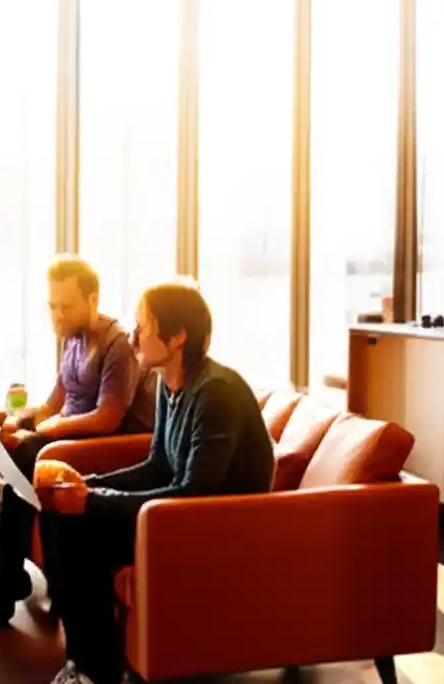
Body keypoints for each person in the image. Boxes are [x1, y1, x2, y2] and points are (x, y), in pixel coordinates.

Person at [43, 281, 275, 684]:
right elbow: (157, 467)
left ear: (178, 335)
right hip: (176, 519)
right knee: (59, 517)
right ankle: (86, 662)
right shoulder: (170, 385)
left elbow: (193, 493)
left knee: (82, 531)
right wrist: (86, 485)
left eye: (143, 326)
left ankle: (96, 669)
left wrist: (93, 501)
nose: (133, 336)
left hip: (219, 529)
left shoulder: (216, 393)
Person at [0, 255, 155, 609]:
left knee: (26, 452)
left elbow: (107, 418)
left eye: (66, 306)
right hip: (60, 436)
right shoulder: (72, 340)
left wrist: (44, 431)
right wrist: (19, 421)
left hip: (94, 446)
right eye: (52, 306)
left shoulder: (118, 346)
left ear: (93, 299)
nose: (57, 316)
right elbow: (54, 402)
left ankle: (0, 589)